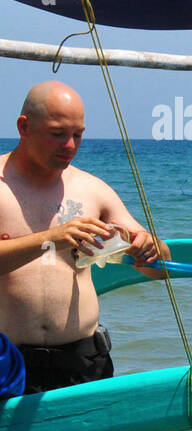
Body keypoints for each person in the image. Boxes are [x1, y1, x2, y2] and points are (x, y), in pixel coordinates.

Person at [0, 81, 169, 394]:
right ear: (24, 127)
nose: (70, 145)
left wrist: (150, 248)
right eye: (57, 133)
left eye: (77, 134)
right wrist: (52, 238)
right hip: (9, 365)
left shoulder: (92, 189)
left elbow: (159, 269)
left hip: (84, 362)